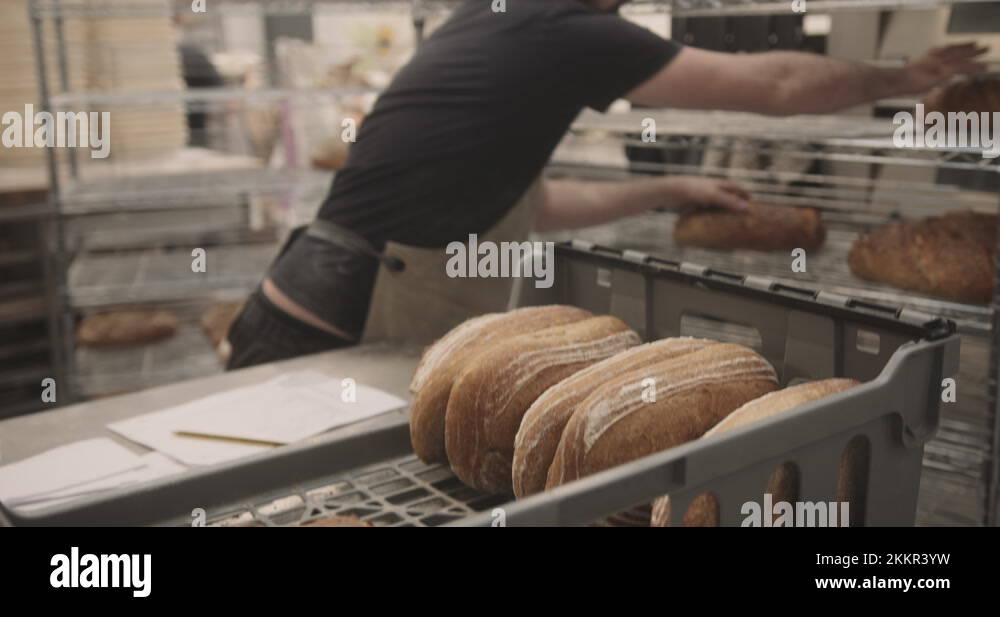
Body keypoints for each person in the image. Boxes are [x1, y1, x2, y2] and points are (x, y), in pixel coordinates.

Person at [226, 0, 988, 370]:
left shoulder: (490, 22)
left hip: (306, 303)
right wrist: (904, 75)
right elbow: (779, 82)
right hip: (338, 317)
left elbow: (533, 204)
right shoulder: (568, 30)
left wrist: (671, 189)